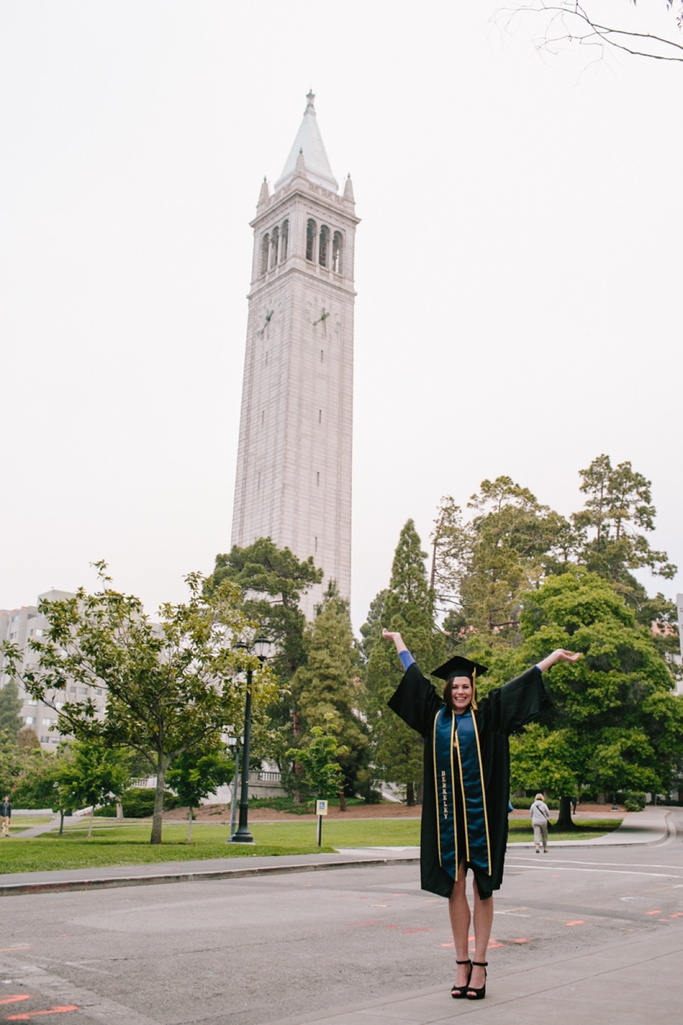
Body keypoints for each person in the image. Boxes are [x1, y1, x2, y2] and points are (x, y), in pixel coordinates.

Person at [382, 630, 581, 1001]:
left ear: (472, 687)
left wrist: (551, 658)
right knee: (455, 886)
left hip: (483, 820)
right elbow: (414, 674)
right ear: (447, 689)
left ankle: (481, 964)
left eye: (465, 686)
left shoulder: (488, 715)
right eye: (455, 687)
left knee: (481, 888)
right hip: (446, 821)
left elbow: (520, 684)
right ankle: (461, 963)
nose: (460, 692)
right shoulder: (433, 716)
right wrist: (398, 641)